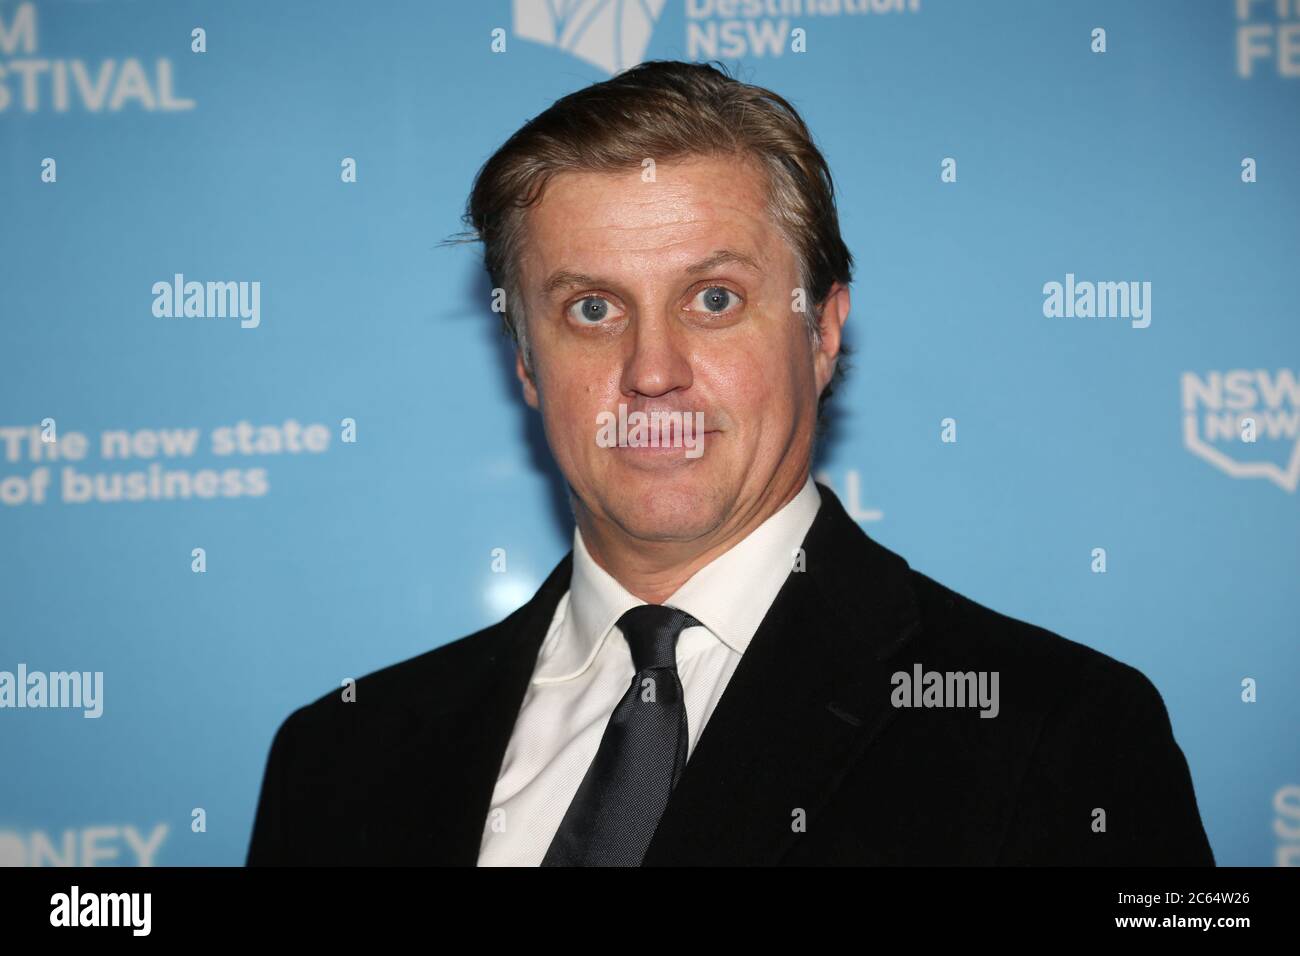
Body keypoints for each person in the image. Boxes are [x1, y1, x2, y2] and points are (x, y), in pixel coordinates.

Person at [247, 60, 1214, 866]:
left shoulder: (1057, 736)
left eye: (713, 299)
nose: (652, 371)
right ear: (527, 364)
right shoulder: (339, 759)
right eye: (591, 307)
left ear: (824, 332)